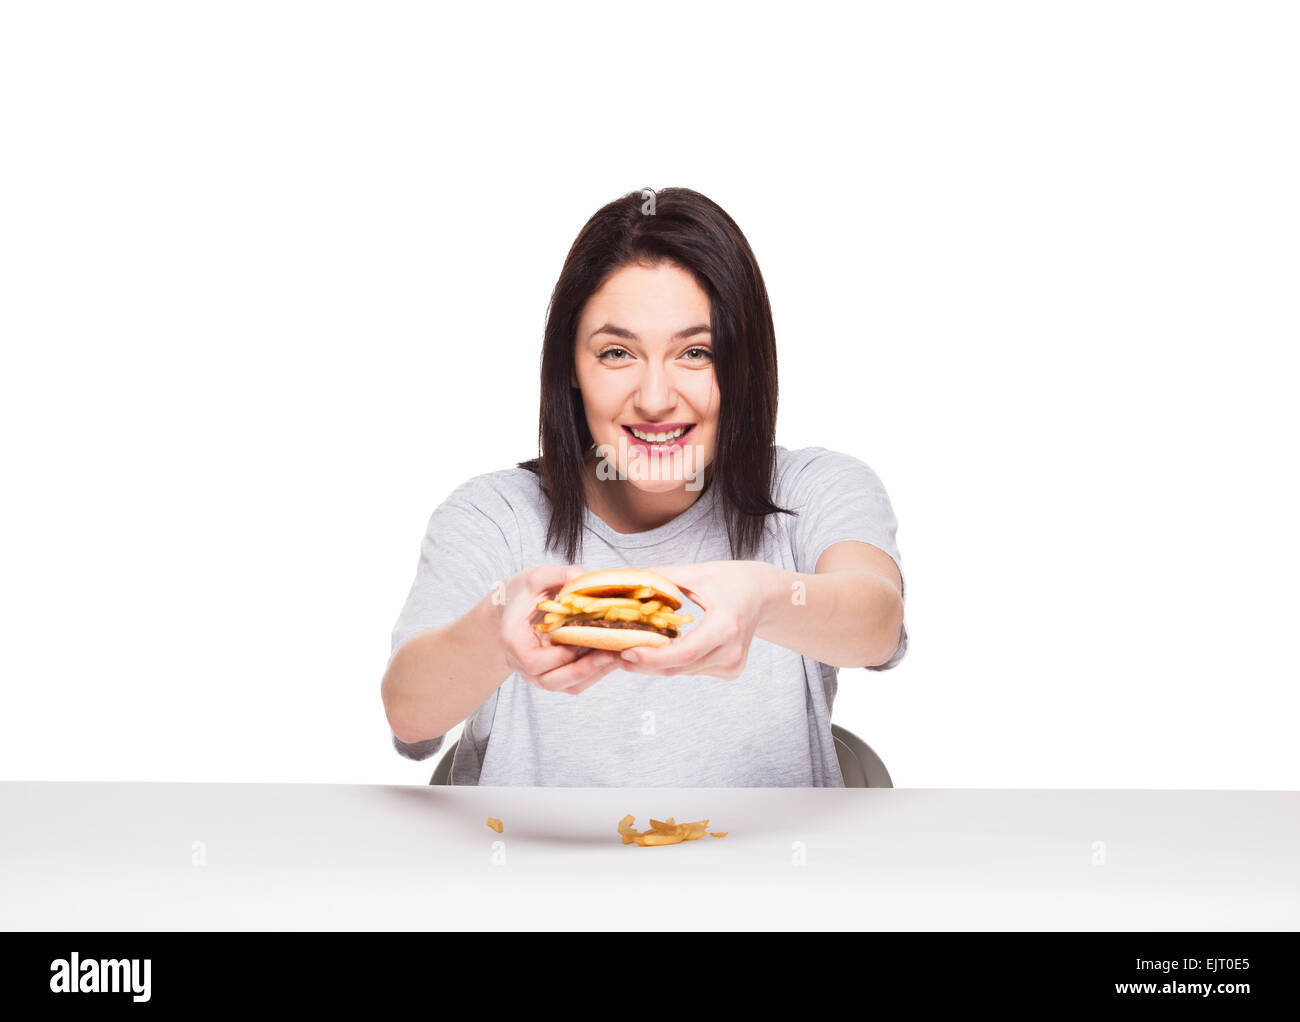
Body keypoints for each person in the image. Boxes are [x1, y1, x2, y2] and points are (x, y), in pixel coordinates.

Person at [380, 186, 907, 786]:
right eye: (616, 353)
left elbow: (878, 624)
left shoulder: (814, 488)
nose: (655, 399)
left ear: (745, 365)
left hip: (764, 879)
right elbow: (408, 713)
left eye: (697, 352)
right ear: (571, 370)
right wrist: (498, 630)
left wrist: (766, 598)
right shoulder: (493, 515)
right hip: (537, 878)